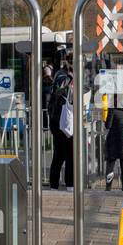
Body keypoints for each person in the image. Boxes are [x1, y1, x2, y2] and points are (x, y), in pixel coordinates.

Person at [47, 61, 74, 190]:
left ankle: (54, 185)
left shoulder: (58, 75)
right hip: (64, 122)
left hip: (57, 122)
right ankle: (69, 185)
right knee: (69, 155)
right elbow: (63, 95)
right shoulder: (65, 78)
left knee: (59, 156)